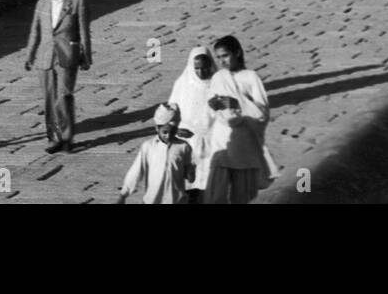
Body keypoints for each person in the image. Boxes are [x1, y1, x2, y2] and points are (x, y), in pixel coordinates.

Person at [23, 0, 92, 153]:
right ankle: (54, 137)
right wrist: (30, 55)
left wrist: (86, 56)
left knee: (64, 95)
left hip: (67, 54)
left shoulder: (78, 1)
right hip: (45, 55)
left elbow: (84, 31)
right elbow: (35, 31)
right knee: (48, 97)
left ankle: (68, 137)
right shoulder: (42, 3)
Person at [205, 35, 279, 204]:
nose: (222, 61)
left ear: (237, 53)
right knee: (215, 193)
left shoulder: (250, 77)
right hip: (222, 140)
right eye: (218, 57)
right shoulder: (218, 77)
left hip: (243, 144)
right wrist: (213, 105)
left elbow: (262, 113)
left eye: (225, 56)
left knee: (243, 195)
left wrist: (238, 103)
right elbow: (211, 108)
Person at [117, 103, 195, 204]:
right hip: (152, 200)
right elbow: (136, 171)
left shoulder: (184, 147)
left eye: (172, 132)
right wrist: (123, 194)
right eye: (165, 132)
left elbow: (188, 174)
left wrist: (191, 174)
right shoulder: (148, 147)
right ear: (157, 129)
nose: (168, 136)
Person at [168, 47, 216, 201]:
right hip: (188, 145)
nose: (201, 72)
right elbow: (170, 114)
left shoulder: (221, 84)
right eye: (197, 68)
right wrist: (177, 130)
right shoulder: (182, 85)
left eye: (205, 68)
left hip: (213, 145)